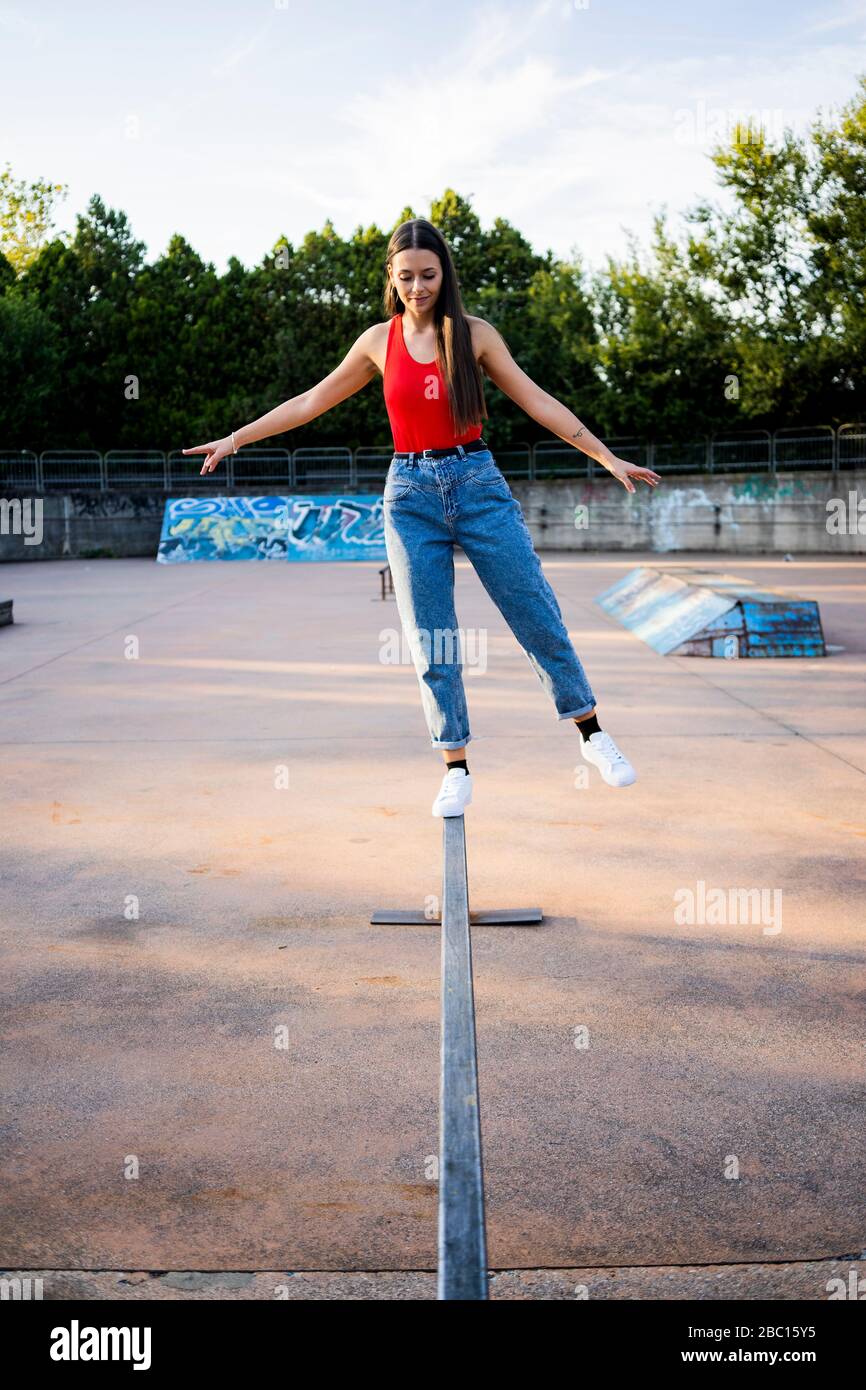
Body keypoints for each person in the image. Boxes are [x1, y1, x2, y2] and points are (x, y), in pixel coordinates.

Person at [183, 217, 660, 817]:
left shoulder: (474, 335)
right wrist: (235, 439)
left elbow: (536, 400)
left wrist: (604, 456)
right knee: (431, 638)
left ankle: (593, 736)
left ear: (445, 274)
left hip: (478, 482)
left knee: (534, 610)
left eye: (428, 275)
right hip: (409, 494)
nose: (417, 288)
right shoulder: (376, 343)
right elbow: (310, 402)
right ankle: (455, 765)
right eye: (406, 277)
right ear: (391, 277)